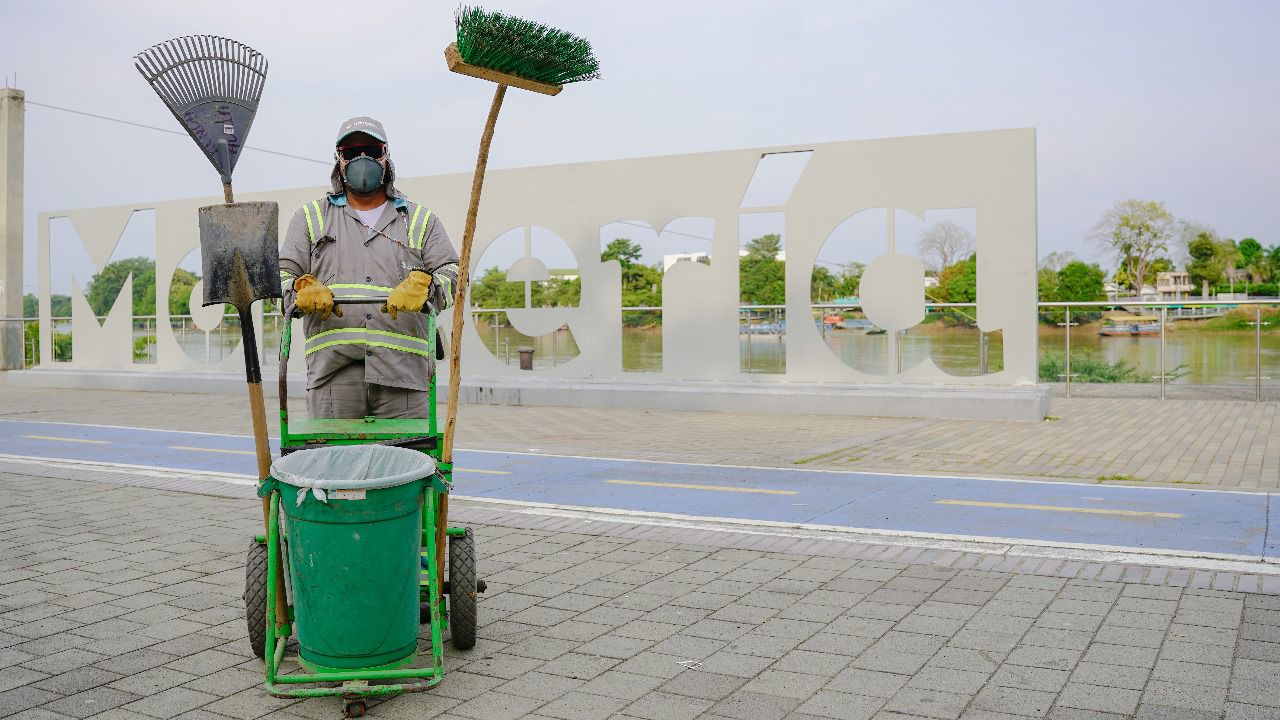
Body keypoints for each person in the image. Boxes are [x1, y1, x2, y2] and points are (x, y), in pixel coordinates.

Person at [279, 116, 459, 419]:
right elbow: (281, 278)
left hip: (404, 376)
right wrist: (298, 289)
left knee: (407, 466)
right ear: (338, 159)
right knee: (336, 465)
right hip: (333, 377)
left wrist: (429, 286)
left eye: (372, 150)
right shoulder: (310, 218)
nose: (362, 159)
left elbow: (455, 274)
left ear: (386, 156)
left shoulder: (420, 220)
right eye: (351, 152)